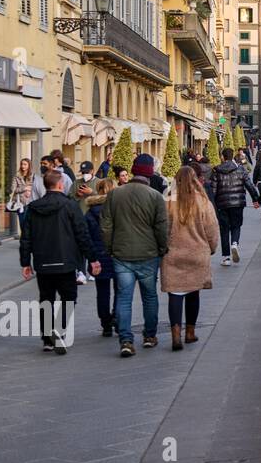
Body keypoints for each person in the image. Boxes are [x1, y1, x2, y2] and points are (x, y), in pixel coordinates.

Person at [19, 170, 100, 355]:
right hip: (66, 261)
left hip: (42, 261)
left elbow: (26, 238)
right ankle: (60, 328)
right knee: (68, 297)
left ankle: (47, 338)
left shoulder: (33, 208)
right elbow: (82, 233)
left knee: (46, 299)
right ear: (60, 185)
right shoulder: (70, 206)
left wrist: (25, 262)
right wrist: (92, 259)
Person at [101, 153, 170, 357]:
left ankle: (126, 340)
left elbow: (105, 226)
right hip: (149, 254)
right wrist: (162, 248)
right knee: (149, 296)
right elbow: (161, 228)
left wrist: (110, 248)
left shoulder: (115, 194)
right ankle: (149, 336)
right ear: (149, 174)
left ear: (133, 171)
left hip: (121, 254)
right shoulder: (155, 196)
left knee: (123, 298)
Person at [162, 167, 219, 352]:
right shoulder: (202, 201)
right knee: (194, 292)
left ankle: (176, 334)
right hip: (197, 253)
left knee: (175, 294)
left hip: (174, 254)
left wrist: (163, 247)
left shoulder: (169, 200)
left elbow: (162, 227)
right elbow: (212, 228)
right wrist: (212, 247)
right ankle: (190, 332)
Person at [207, 148, 260, 266]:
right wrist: (255, 199)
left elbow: (213, 190)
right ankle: (235, 243)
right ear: (232, 156)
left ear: (223, 157)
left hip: (222, 204)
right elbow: (249, 185)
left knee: (224, 229)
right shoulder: (240, 169)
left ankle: (226, 257)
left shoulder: (217, 171)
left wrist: (211, 206)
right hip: (237, 203)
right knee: (236, 225)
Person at [84, 178, 117, 337]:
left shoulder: (90, 212)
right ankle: (116, 316)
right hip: (117, 254)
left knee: (102, 291)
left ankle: (105, 324)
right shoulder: (117, 209)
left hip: (98, 255)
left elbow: (86, 236)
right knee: (121, 289)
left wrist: (90, 256)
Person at [9, 159, 33, 233]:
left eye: (25, 164)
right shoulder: (17, 176)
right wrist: (24, 188)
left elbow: (36, 188)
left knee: (31, 224)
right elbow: (13, 189)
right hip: (20, 204)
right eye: (22, 164)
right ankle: (24, 241)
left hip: (31, 203)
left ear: (29, 165)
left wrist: (30, 191)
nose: (23, 166)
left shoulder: (33, 176)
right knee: (22, 223)